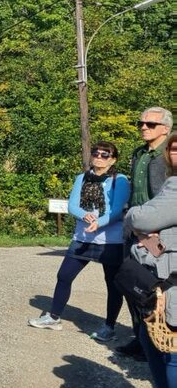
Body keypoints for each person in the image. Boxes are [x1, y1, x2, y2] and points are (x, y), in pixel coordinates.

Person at [27, 141, 130, 335]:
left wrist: (98, 222)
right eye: (96, 153)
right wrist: (84, 215)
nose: (99, 157)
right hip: (82, 237)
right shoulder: (81, 178)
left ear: (113, 160)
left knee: (113, 284)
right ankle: (53, 318)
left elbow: (117, 210)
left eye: (105, 155)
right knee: (64, 276)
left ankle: (109, 326)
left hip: (110, 239)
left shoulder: (120, 180)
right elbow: (72, 205)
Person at [123, 130, 177, 388]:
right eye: (172, 149)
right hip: (164, 270)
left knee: (171, 349)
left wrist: (133, 216)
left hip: (172, 276)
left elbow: (144, 215)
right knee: (149, 339)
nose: (175, 154)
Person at [116, 106, 174, 358]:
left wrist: (151, 230)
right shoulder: (139, 154)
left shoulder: (169, 155)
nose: (143, 127)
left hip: (156, 234)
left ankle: (158, 341)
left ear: (166, 128)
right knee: (133, 285)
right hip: (134, 227)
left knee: (157, 289)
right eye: (141, 123)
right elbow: (134, 191)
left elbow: (167, 202)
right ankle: (140, 337)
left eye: (150, 124)